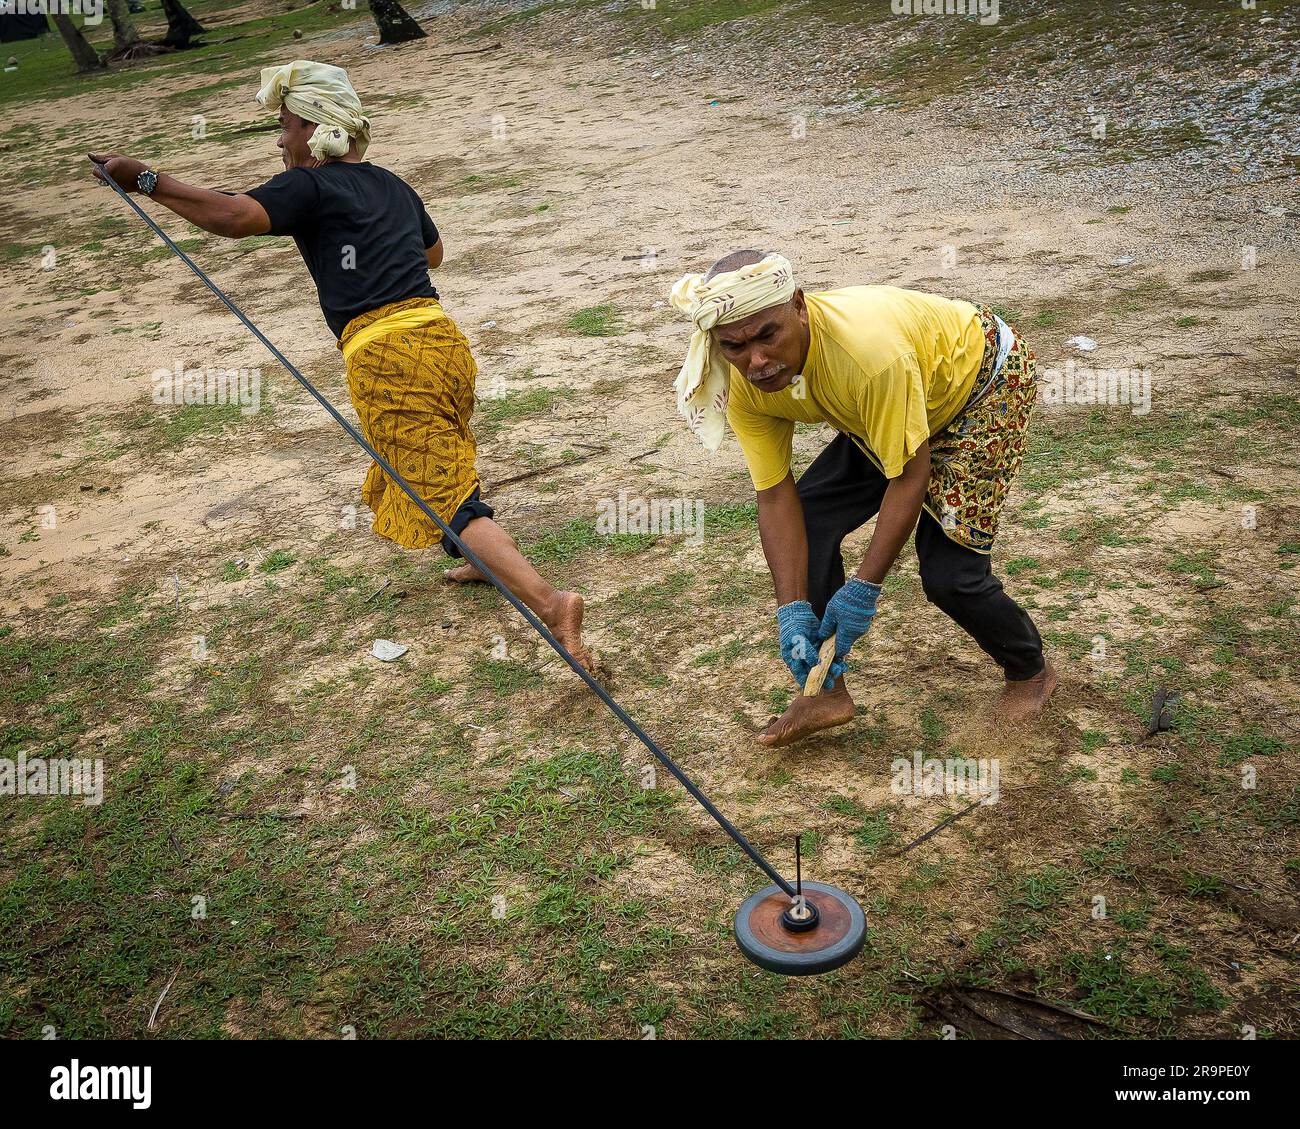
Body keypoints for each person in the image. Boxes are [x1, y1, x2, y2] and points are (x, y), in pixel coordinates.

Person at [89, 59, 593, 669]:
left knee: (435, 487)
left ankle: (548, 603)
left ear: (313, 128)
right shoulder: (393, 184)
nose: (280, 141)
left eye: (284, 126)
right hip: (440, 339)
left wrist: (144, 179)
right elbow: (433, 254)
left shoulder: (311, 186)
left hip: (387, 353)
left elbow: (231, 217)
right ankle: (480, 556)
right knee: (441, 451)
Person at [670, 250, 1055, 747]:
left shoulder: (867, 356)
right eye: (735, 346)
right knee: (808, 523)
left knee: (950, 576)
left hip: (978, 386)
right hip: (885, 406)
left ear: (799, 306)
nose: (757, 361)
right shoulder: (745, 385)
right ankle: (824, 692)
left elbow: (910, 475)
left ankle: (1030, 670)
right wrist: (791, 608)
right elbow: (775, 498)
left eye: (769, 335)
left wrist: (863, 589)